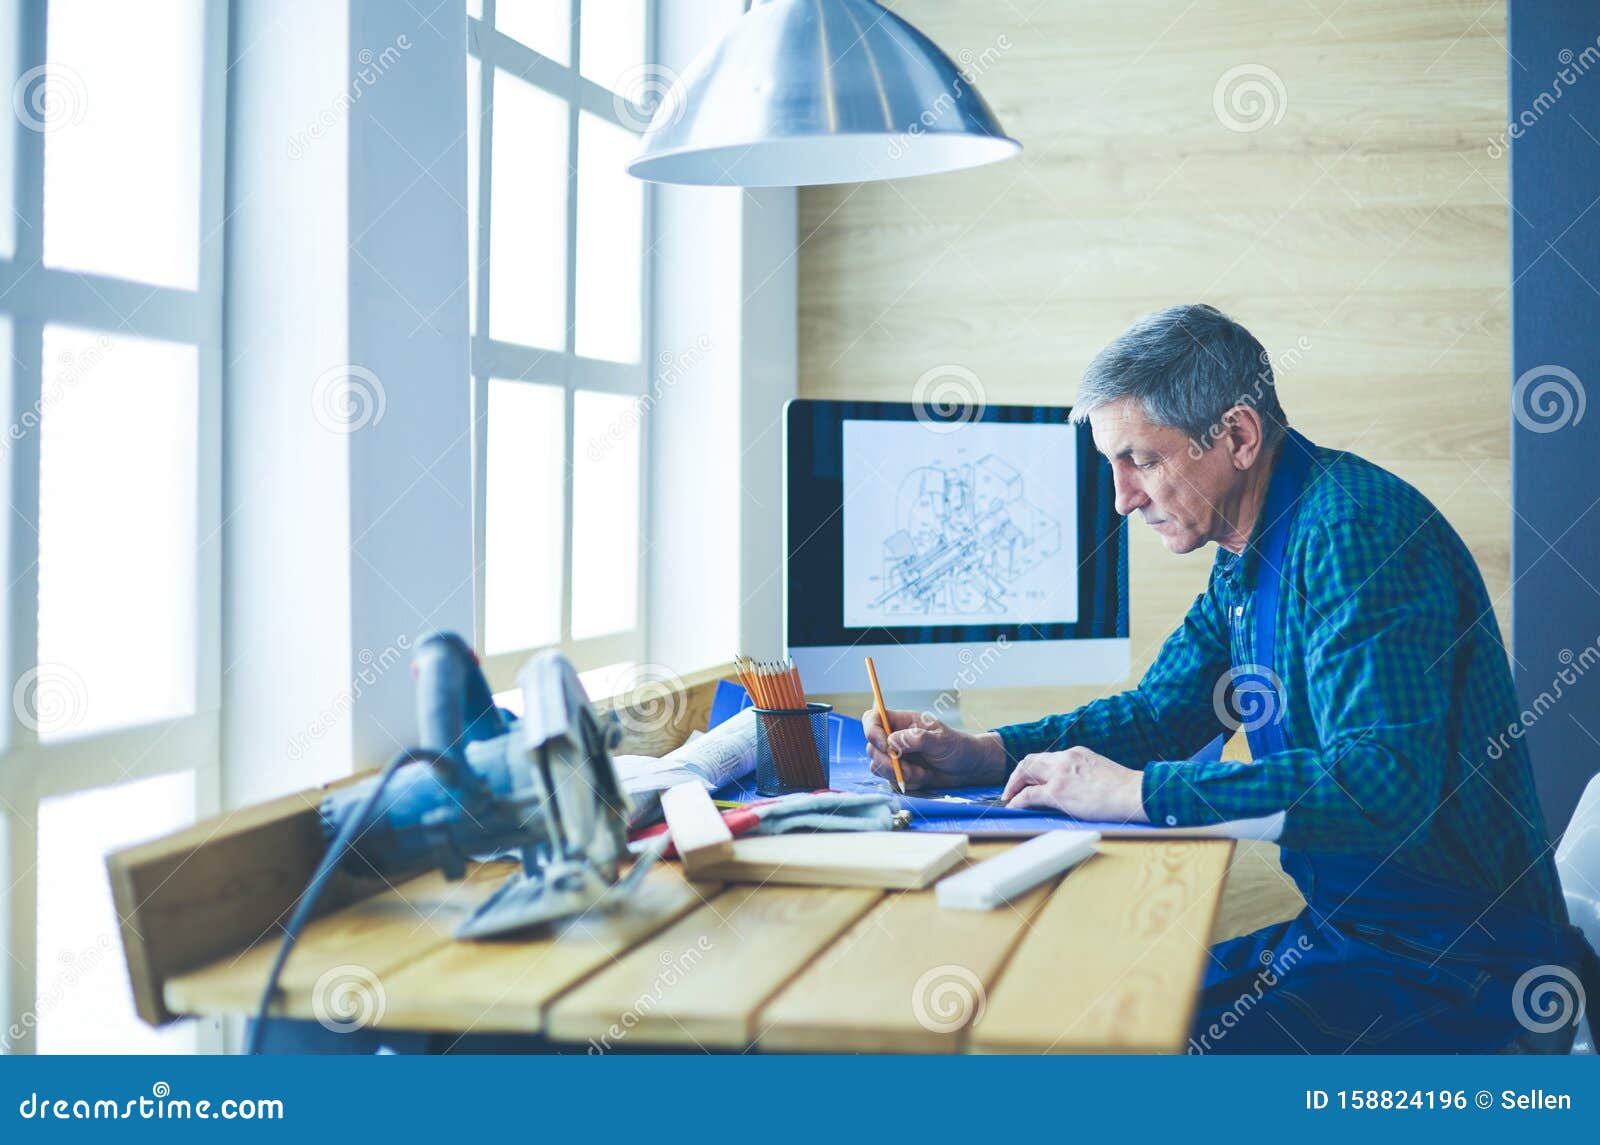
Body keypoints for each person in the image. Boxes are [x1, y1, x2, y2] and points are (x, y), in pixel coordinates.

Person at [863, 303, 1599, 1053]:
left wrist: (1141, 793)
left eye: (1141, 460)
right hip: (1358, 937)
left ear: (1238, 436)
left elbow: (1381, 782)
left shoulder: (1354, 532)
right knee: (1097, 1015)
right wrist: (986, 753)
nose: (1122, 497)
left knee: (1117, 1045)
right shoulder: (1246, 555)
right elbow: (1161, 715)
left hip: (1461, 970)